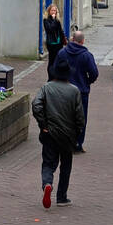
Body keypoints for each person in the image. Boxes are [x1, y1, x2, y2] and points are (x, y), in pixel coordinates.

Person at [31, 55, 84, 208]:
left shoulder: (46, 88)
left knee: (48, 163)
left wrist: (43, 124)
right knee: (66, 165)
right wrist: (78, 132)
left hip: (50, 133)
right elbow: (79, 116)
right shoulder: (74, 91)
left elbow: (36, 105)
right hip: (68, 135)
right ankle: (61, 197)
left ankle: (47, 183)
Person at [59, 29, 98, 151]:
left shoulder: (62, 53)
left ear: (72, 39)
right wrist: (87, 81)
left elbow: (55, 69)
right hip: (81, 91)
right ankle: (77, 143)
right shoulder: (86, 55)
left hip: (64, 89)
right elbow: (94, 73)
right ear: (83, 41)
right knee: (81, 118)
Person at [43, 3, 66, 78]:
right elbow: (50, 29)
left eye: (55, 11)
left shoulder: (57, 20)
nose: (54, 12)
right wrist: (53, 20)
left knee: (58, 60)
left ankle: (57, 76)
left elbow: (60, 31)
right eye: (52, 10)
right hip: (51, 43)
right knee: (51, 61)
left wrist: (64, 40)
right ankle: (50, 78)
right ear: (49, 11)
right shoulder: (46, 20)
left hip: (59, 44)